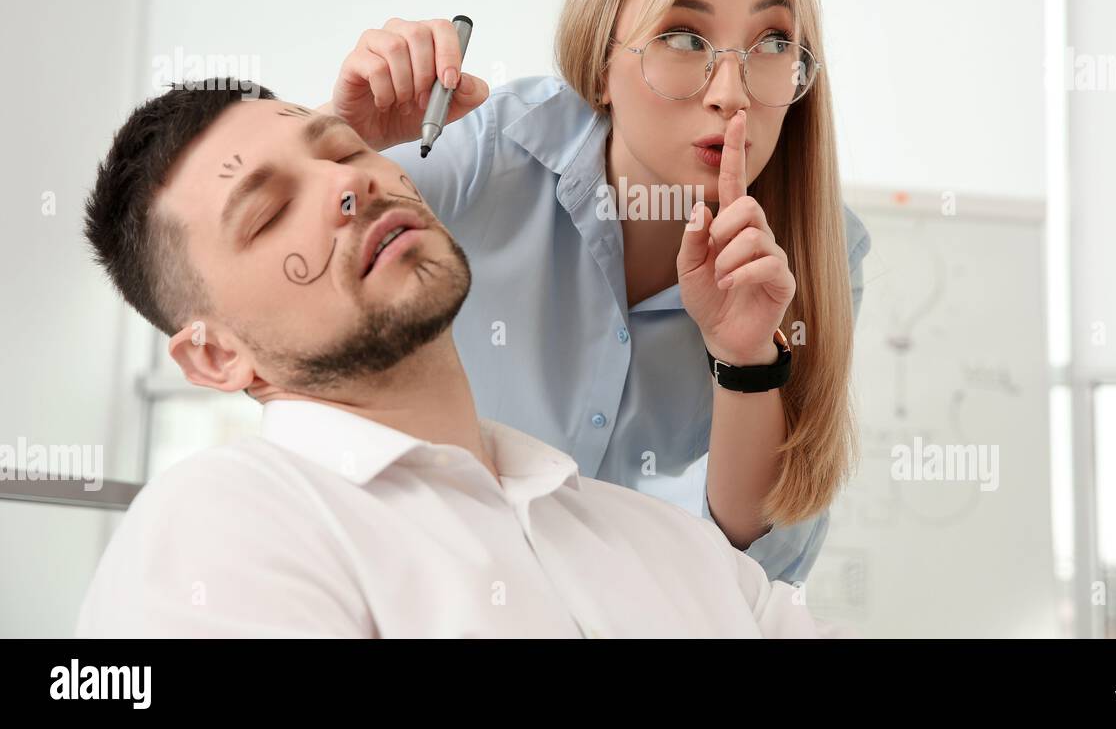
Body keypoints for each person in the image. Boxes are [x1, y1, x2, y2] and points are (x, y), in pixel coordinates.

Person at [75, 81, 855, 637]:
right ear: (215, 357)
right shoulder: (222, 526)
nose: (349, 183)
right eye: (272, 211)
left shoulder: (658, 540)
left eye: (344, 148)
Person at [325, 0, 870, 584]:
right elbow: (268, 275)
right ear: (600, 61)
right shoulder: (492, 149)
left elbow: (759, 559)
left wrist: (746, 362)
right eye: (683, 38)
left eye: (772, 44)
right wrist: (338, 134)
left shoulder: (822, 251)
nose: (731, 92)